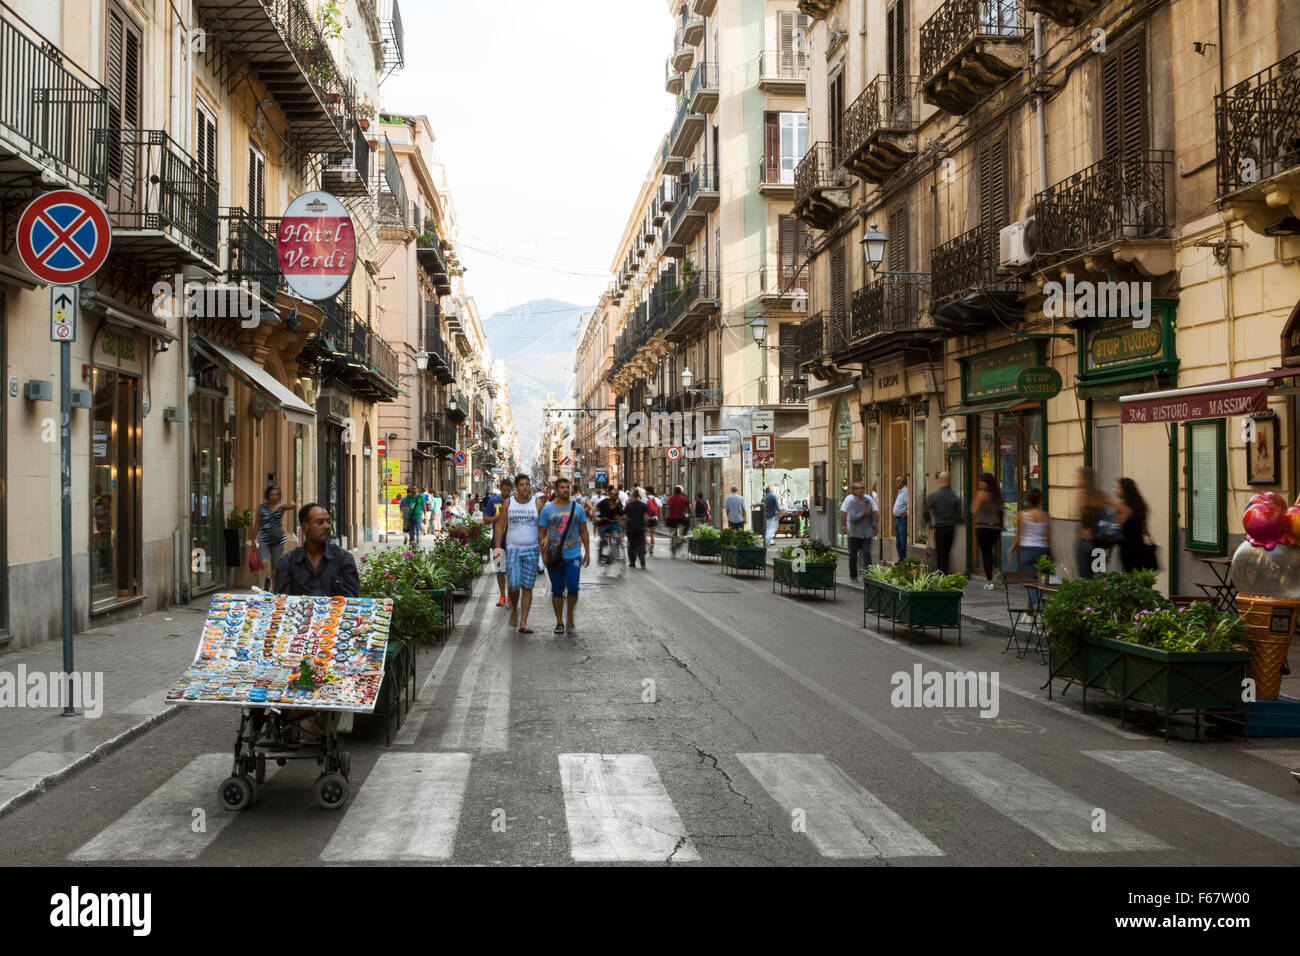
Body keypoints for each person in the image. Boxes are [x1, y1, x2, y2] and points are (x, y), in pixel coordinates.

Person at [495, 474, 546, 633]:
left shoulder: (537, 503)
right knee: (514, 586)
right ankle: (514, 608)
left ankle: (523, 621)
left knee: (527, 586)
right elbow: (499, 526)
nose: (525, 487)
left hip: (531, 549)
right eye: (522, 484)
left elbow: (543, 526)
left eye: (527, 484)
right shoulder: (508, 503)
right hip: (513, 549)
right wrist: (497, 549)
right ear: (516, 487)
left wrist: (545, 541)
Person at [274, 503, 359, 597]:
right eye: (320, 522)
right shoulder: (287, 562)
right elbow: (281, 603)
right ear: (304, 527)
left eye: (328, 522)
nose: (327, 526)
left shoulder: (344, 559)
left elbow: (352, 602)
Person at [540, 477, 590, 634]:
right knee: (557, 589)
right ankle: (559, 622)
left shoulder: (578, 509)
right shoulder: (547, 510)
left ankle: (570, 616)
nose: (565, 490)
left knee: (573, 587)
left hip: (573, 555)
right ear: (556, 489)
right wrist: (543, 555)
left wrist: (587, 552)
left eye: (567, 487)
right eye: (562, 487)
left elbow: (584, 531)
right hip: (554, 556)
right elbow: (541, 533)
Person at [252, 485, 296, 591]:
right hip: (264, 539)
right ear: (267, 495)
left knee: (275, 568)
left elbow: (292, 505)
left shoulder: (281, 507)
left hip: (278, 540)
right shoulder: (261, 508)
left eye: (277, 494)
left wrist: (288, 504)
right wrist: (253, 539)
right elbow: (257, 524)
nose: (274, 496)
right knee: (264, 563)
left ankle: (275, 590)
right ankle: (265, 588)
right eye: (272, 494)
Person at [1074, 466, 1110, 579]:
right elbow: (1120, 508)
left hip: (1085, 541)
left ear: (1083, 479)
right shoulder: (1102, 495)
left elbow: (1080, 512)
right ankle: (1098, 597)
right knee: (1099, 578)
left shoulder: (1081, 495)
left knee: (1085, 579)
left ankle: (1088, 597)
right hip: (1099, 542)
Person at [1115, 477, 1156, 572]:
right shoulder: (1140, 505)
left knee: (1129, 580)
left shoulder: (1123, 508)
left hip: (1127, 550)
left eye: (1118, 488)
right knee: (1142, 579)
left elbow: (1116, 528)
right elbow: (1145, 530)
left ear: (1125, 490)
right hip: (1141, 547)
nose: (1116, 491)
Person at [924, 472, 962, 573]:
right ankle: (945, 572)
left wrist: (930, 522)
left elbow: (925, 510)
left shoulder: (934, 495)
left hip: (939, 527)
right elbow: (959, 515)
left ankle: (941, 573)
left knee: (940, 551)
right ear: (949, 481)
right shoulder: (954, 497)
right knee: (947, 551)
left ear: (940, 481)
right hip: (950, 527)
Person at [484, 478, 513, 607]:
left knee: (511, 571)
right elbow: (485, 519)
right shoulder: (492, 502)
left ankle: (511, 596)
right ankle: (502, 595)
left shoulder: (514, 502)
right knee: (500, 570)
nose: (506, 492)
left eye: (509, 490)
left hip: (512, 541)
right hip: (498, 540)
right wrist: (499, 517)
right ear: (500, 488)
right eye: (504, 490)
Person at [1010, 486, 1051, 574]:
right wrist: (1051, 553)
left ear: (1028, 500)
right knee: (1042, 581)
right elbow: (1048, 538)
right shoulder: (1045, 516)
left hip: (1027, 550)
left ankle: (1031, 588)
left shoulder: (1022, 515)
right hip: (1042, 551)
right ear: (1040, 500)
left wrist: (1011, 550)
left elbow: (1018, 536)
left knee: (1030, 580)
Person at [972, 473, 1003, 590]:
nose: (980, 483)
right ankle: (996, 569)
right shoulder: (997, 495)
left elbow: (974, 510)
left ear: (985, 483)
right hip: (995, 528)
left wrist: (974, 502)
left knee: (986, 553)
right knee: (990, 551)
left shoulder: (981, 494)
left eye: (981, 481)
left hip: (983, 527)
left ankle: (989, 582)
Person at [840, 481, 875, 580]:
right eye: (858, 488)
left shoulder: (868, 500)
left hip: (866, 532)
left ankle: (868, 574)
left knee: (867, 553)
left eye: (862, 488)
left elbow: (874, 512)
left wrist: (875, 526)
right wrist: (844, 527)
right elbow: (852, 516)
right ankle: (853, 575)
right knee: (853, 555)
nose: (860, 490)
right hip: (854, 532)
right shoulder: (850, 501)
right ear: (854, 490)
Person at [594, 488, 625, 568]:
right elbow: (596, 510)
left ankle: (615, 553)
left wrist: (622, 531)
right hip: (603, 523)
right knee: (604, 540)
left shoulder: (619, 504)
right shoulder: (604, 502)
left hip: (613, 522)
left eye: (616, 494)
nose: (614, 496)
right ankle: (601, 553)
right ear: (609, 494)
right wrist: (597, 517)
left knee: (618, 538)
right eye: (612, 494)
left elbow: (622, 517)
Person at [624, 489, 649, 569]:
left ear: (632, 496)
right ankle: (642, 561)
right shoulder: (643, 505)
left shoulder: (628, 506)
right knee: (641, 544)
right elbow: (645, 517)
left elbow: (625, 518)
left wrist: (623, 528)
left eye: (630, 496)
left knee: (631, 545)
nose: (629, 497)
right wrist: (645, 527)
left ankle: (632, 562)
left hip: (630, 528)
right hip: (640, 528)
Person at [665, 485, 692, 555]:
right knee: (688, 522)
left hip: (671, 519)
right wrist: (690, 513)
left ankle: (673, 535)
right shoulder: (683, 498)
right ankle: (683, 534)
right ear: (681, 491)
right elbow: (689, 506)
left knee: (674, 527)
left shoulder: (670, 498)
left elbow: (668, 507)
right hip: (680, 518)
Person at [891, 475, 909, 561]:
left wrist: (906, 513)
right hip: (898, 519)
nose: (896, 483)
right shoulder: (900, 491)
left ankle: (903, 560)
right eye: (896, 481)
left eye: (898, 481)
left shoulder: (906, 491)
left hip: (902, 520)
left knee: (902, 541)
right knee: (898, 541)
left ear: (902, 482)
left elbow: (911, 503)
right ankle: (900, 559)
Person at [644, 485, 660, 554]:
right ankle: (651, 550)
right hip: (654, 519)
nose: (645, 492)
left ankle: (646, 546)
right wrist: (659, 518)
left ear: (647, 491)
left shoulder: (644, 500)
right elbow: (660, 511)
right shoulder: (657, 499)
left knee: (644, 533)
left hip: (646, 519)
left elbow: (642, 510)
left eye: (645, 491)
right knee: (652, 535)